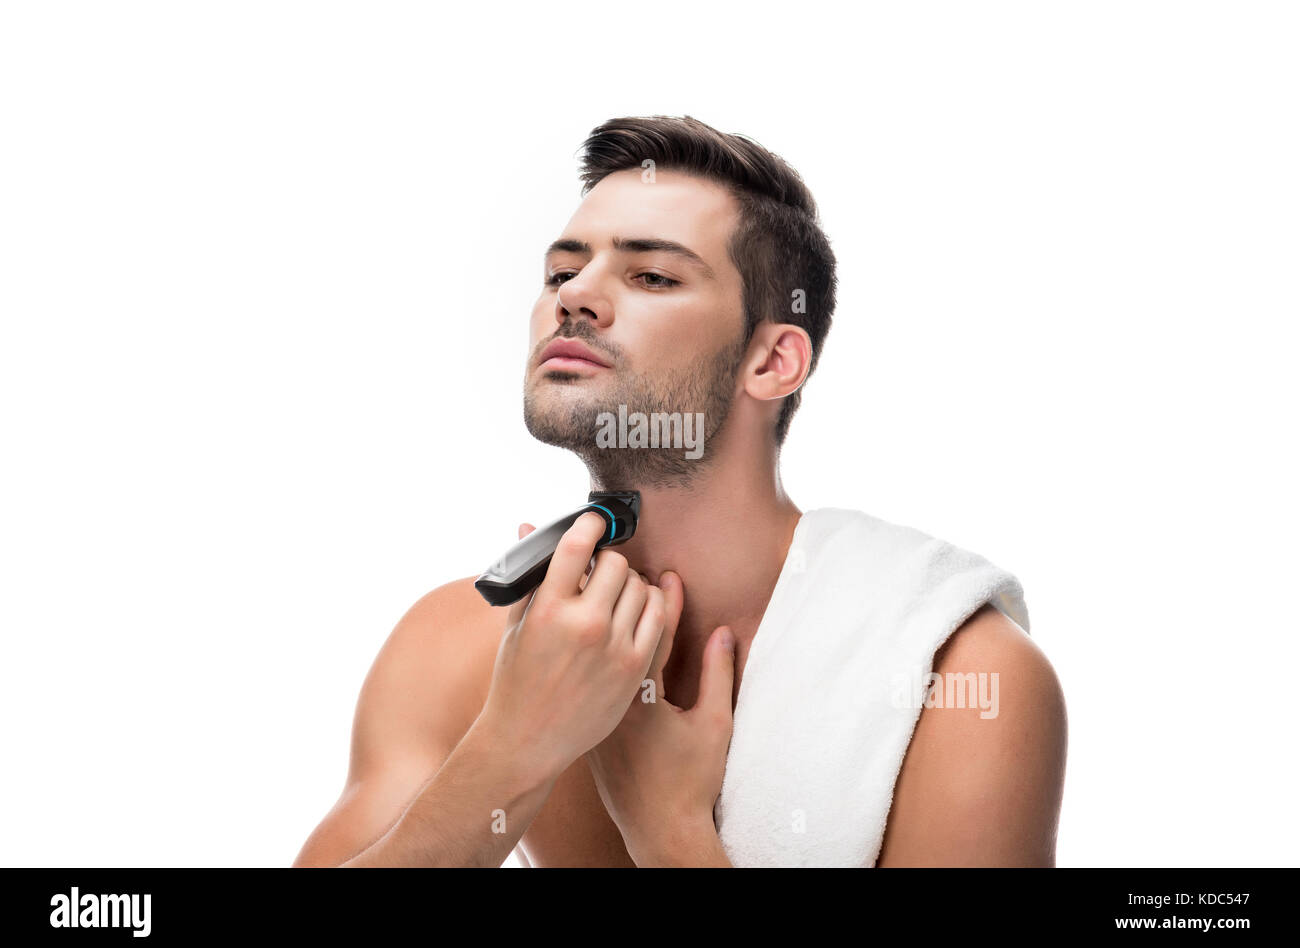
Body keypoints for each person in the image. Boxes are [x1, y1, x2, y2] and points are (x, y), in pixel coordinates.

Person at [293, 115, 1067, 868]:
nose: (574, 295)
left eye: (652, 275)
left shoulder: (954, 675)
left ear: (772, 361)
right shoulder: (456, 646)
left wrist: (669, 835)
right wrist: (511, 748)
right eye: (562, 271)